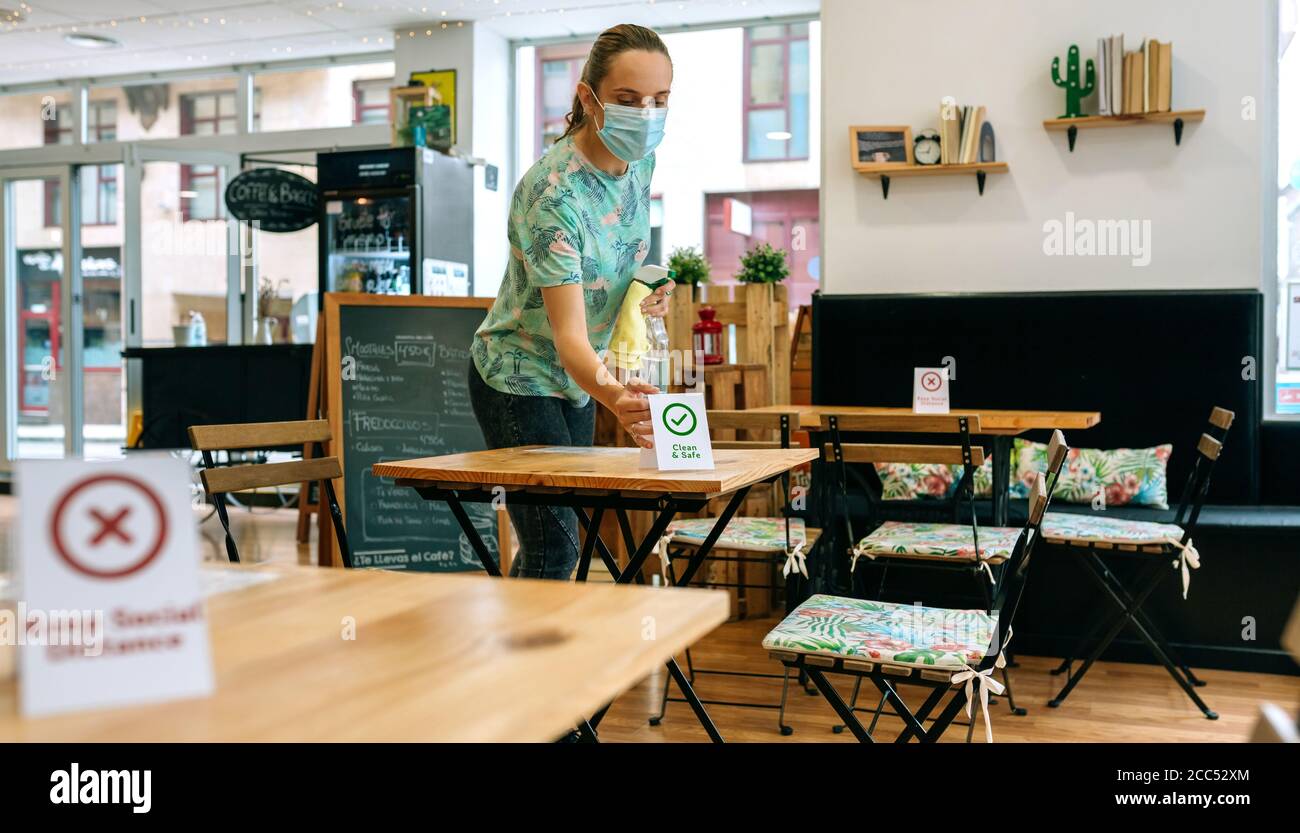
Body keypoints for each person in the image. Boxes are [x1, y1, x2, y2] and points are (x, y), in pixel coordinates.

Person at [468, 23, 675, 580]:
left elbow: (617, 257)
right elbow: (568, 337)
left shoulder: (640, 165)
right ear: (589, 97)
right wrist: (615, 396)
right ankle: (535, 668)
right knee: (554, 545)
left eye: (660, 100)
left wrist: (649, 286)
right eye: (629, 100)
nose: (648, 114)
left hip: (578, 379)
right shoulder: (551, 194)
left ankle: (534, 655)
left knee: (559, 540)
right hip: (519, 375)